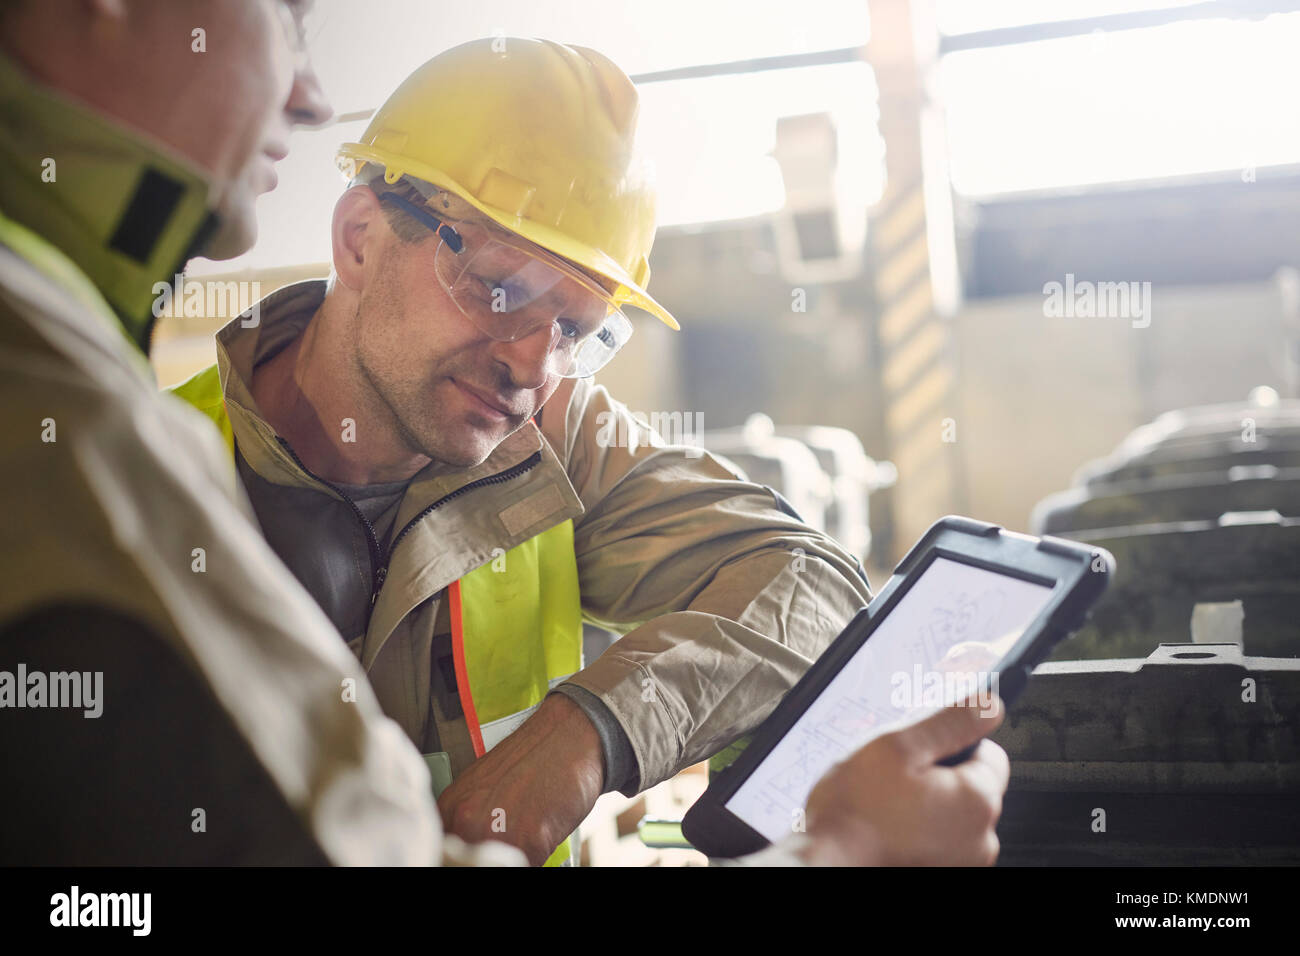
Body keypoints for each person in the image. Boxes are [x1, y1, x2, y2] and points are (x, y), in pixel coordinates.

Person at [0, 0, 1008, 866]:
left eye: (573, 327)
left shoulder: (556, 439)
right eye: (498, 288)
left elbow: (813, 584)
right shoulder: (139, 464)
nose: (533, 365)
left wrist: (586, 734)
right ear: (358, 238)